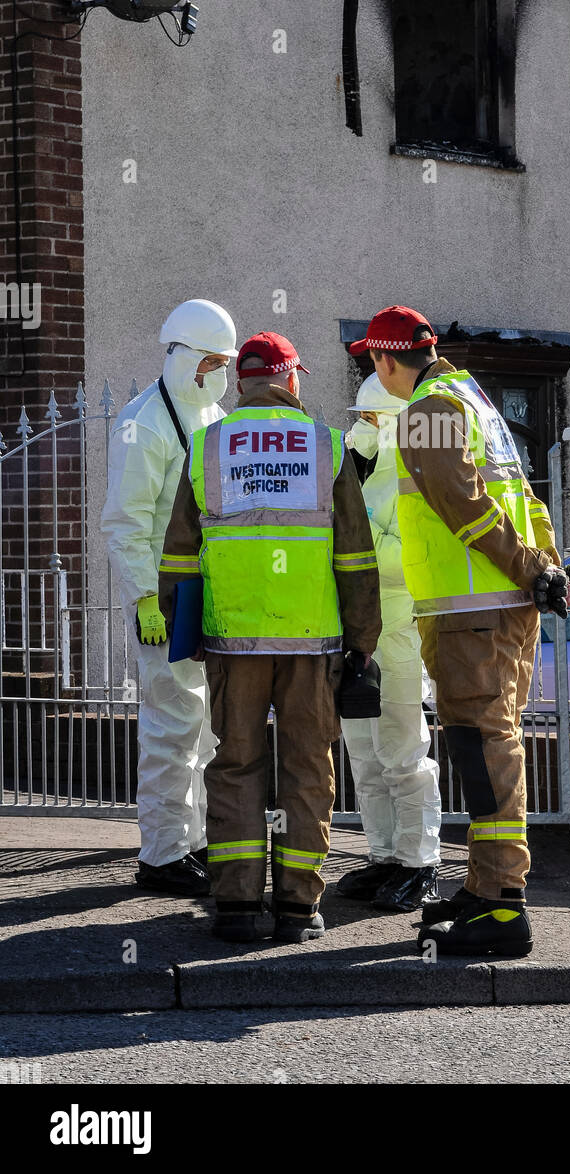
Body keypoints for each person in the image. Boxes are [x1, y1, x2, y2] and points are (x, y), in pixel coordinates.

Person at [349, 306, 570, 957]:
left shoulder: (425, 410)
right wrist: (546, 571)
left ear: (384, 360)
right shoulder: (473, 398)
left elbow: (463, 504)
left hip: (470, 610)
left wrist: (534, 569)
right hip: (499, 606)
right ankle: (483, 889)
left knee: (484, 752)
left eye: (372, 360)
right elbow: (526, 497)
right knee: (487, 747)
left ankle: (504, 908)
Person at [157, 331, 381, 944]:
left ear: (244, 382)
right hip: (313, 644)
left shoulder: (206, 448)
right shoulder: (327, 448)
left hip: (232, 642)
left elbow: (178, 555)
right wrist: (364, 640)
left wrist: (186, 630)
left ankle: (234, 905)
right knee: (308, 768)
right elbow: (356, 559)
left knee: (236, 766)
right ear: (291, 378)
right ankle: (298, 907)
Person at [101, 299, 237, 896]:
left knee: (204, 731)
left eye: (225, 361)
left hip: (206, 599)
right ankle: (161, 855)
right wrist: (142, 602)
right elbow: (124, 525)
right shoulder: (143, 423)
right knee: (169, 730)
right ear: (184, 357)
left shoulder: (211, 413)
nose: (220, 370)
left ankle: (195, 846)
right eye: (211, 360)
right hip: (165, 605)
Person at [337, 372, 442, 912]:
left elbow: (405, 557)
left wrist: (354, 531)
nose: (363, 426)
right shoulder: (359, 463)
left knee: (403, 749)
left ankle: (420, 862)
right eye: (362, 417)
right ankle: (383, 856)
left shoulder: (413, 473)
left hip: (396, 625)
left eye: (373, 417)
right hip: (357, 628)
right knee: (364, 751)